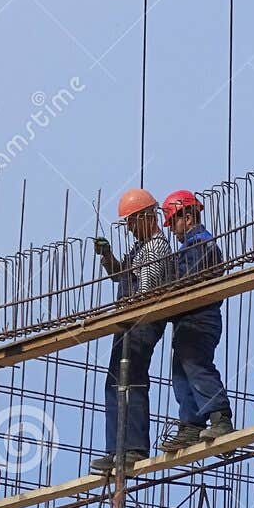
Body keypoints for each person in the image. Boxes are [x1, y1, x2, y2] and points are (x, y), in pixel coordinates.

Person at [89, 187, 173, 474]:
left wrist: (132, 307)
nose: (130, 229)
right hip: (128, 320)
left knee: (133, 380)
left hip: (142, 320)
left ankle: (134, 448)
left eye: (132, 222)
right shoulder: (139, 249)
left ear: (147, 217)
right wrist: (107, 256)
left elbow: (146, 289)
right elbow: (120, 276)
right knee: (115, 382)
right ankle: (116, 449)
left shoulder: (155, 247)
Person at [158, 189, 233, 453]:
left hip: (201, 318)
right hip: (186, 321)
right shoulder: (189, 246)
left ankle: (220, 417)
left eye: (174, 222)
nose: (173, 230)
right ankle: (191, 424)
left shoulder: (202, 244)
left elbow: (187, 279)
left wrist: (165, 286)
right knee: (181, 371)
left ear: (188, 217)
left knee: (196, 365)